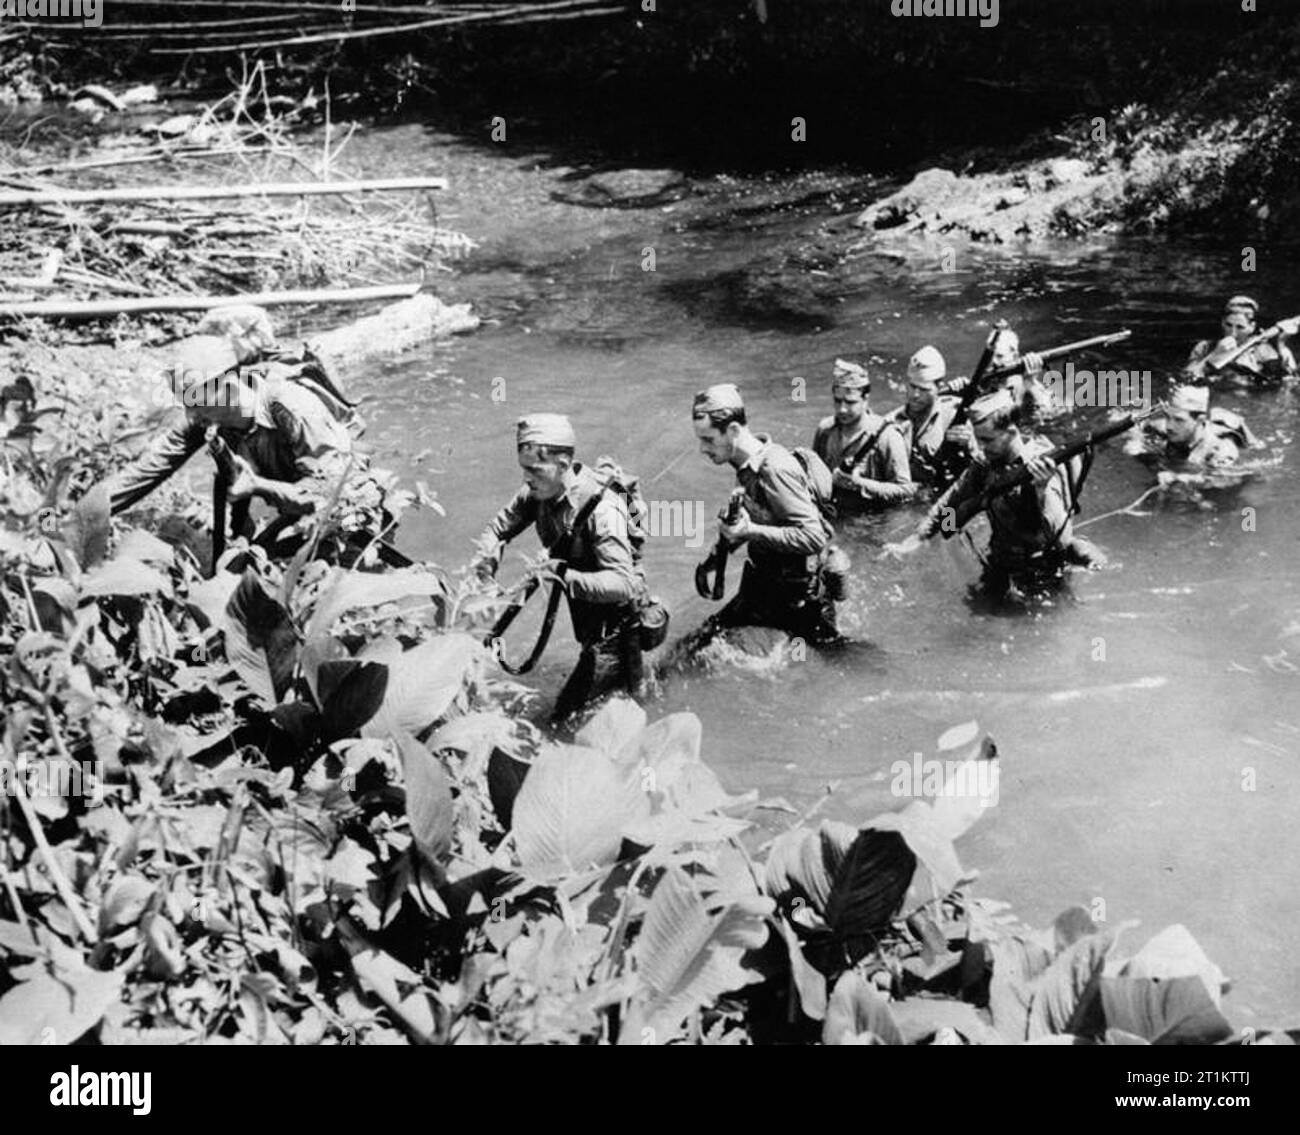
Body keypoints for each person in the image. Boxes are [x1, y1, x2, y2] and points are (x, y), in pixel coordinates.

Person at [102, 334, 358, 558]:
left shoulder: (293, 406)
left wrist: (259, 487)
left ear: (227, 384)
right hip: (294, 505)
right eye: (185, 402)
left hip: (346, 509)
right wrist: (82, 519)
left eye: (195, 400)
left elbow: (333, 495)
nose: (191, 414)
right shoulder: (208, 414)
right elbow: (145, 472)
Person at [473, 414, 648, 724]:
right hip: (587, 622)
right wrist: (485, 576)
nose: (526, 479)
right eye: (523, 469)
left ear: (564, 464)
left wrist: (561, 574)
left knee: (560, 724)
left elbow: (624, 583)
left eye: (534, 470)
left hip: (616, 630)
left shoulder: (603, 509)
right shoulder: (537, 492)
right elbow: (497, 530)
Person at [886, 389, 1104, 600]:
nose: (980, 446)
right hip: (1002, 561)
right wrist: (919, 538)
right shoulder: (985, 464)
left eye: (987, 440)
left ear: (1010, 432)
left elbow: (1057, 536)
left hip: (1045, 567)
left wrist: (1040, 490)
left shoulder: (1043, 465)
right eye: (978, 439)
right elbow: (952, 503)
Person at [691, 383, 839, 644]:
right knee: (699, 643)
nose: (702, 449)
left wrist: (752, 531)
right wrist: (713, 562)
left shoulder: (775, 469)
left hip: (798, 600)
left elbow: (814, 536)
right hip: (765, 585)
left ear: (733, 430)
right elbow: (752, 521)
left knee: (830, 658)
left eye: (708, 439)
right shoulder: (746, 467)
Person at [811, 359, 913, 513]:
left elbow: (905, 492)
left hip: (871, 520)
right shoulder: (825, 430)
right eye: (838, 401)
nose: (842, 409)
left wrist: (858, 483)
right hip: (832, 514)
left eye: (850, 402)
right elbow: (813, 475)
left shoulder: (887, 437)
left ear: (866, 400)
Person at [885, 346, 977, 494]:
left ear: (939, 387)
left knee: (949, 517)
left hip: (946, 502)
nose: (915, 395)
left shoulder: (954, 415)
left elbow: (979, 470)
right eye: (912, 386)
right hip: (906, 502)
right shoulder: (891, 422)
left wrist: (968, 445)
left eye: (923, 389)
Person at [1126, 384, 1253, 473]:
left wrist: (1179, 476)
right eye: (1167, 417)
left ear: (1200, 420)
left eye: (1179, 420)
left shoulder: (1221, 453)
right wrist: (1135, 440)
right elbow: (1138, 425)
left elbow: (1224, 482)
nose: (1169, 426)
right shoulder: (1166, 427)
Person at [1184, 295, 1297, 385]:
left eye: (1240, 327)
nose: (1233, 333)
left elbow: (1288, 383)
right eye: (1228, 325)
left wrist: (1282, 345)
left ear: (1252, 327)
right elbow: (1186, 378)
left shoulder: (1263, 351)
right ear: (1222, 322)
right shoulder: (1205, 347)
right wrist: (1214, 355)